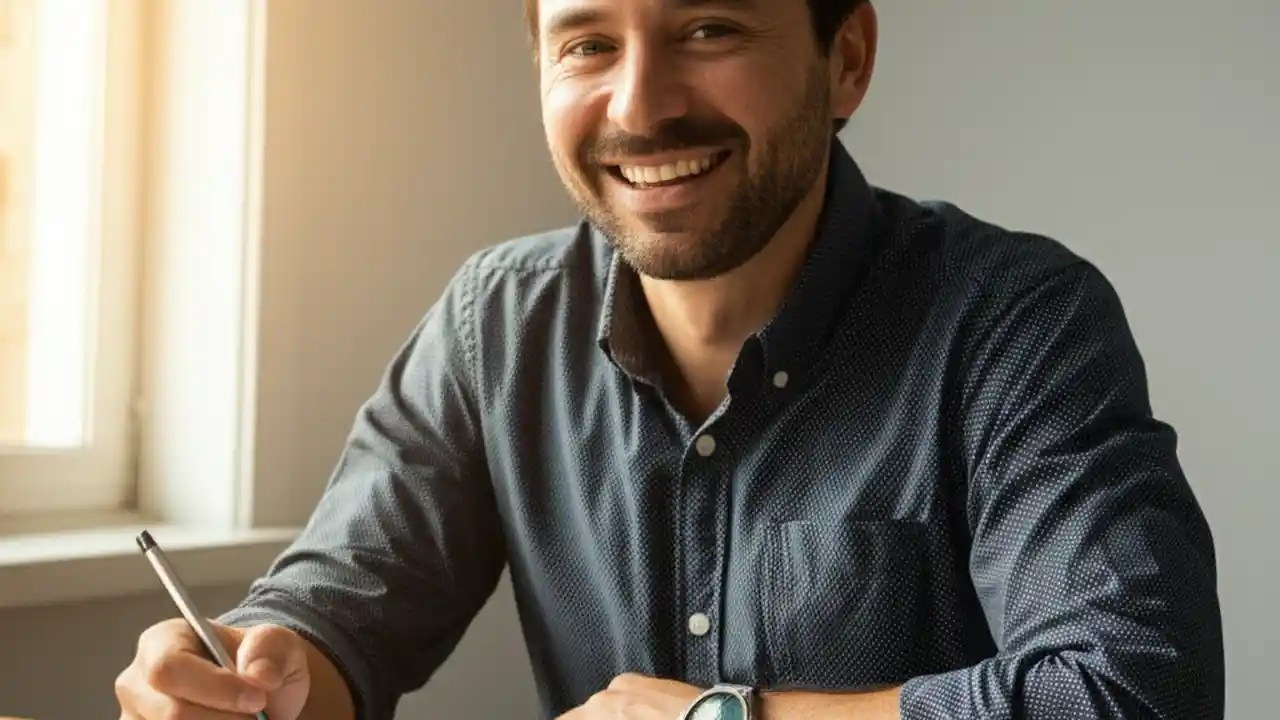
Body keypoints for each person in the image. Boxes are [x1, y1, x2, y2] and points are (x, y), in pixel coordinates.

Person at [115, 0, 1225, 718]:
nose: (639, 105)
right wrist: (256, 673)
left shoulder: (1010, 320)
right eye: (588, 44)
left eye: (707, 29)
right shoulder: (492, 325)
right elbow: (343, 609)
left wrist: (725, 717)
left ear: (844, 61)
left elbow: (1135, 689)